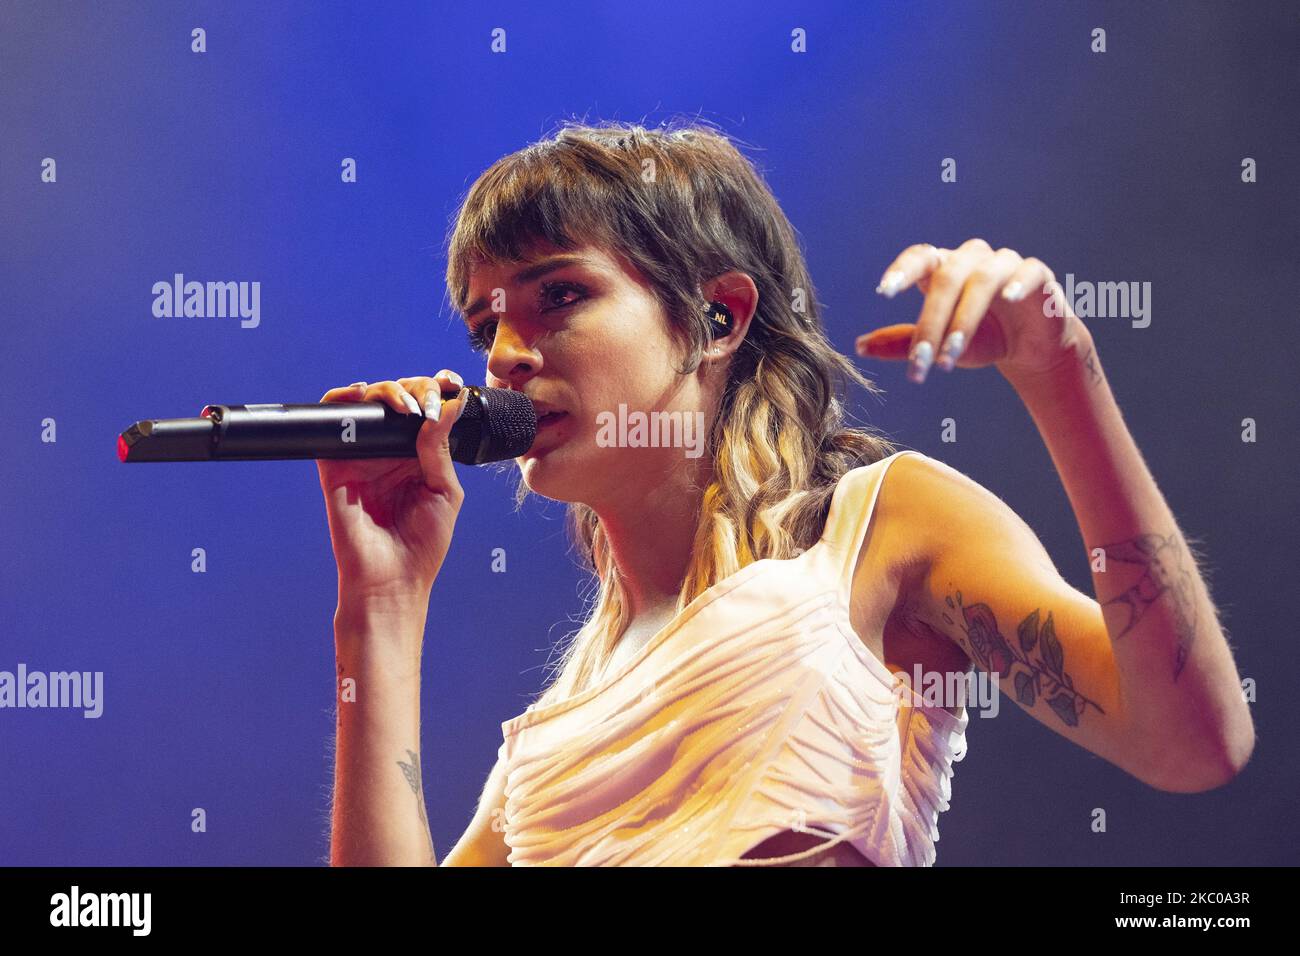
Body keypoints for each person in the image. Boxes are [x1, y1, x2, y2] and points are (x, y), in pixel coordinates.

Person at [317, 120, 1254, 867]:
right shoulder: (562, 726)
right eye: (486, 322)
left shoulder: (878, 528)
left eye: (557, 296)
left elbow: (1190, 742)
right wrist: (383, 607)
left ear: (718, 316)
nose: (503, 356)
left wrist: (1062, 371)